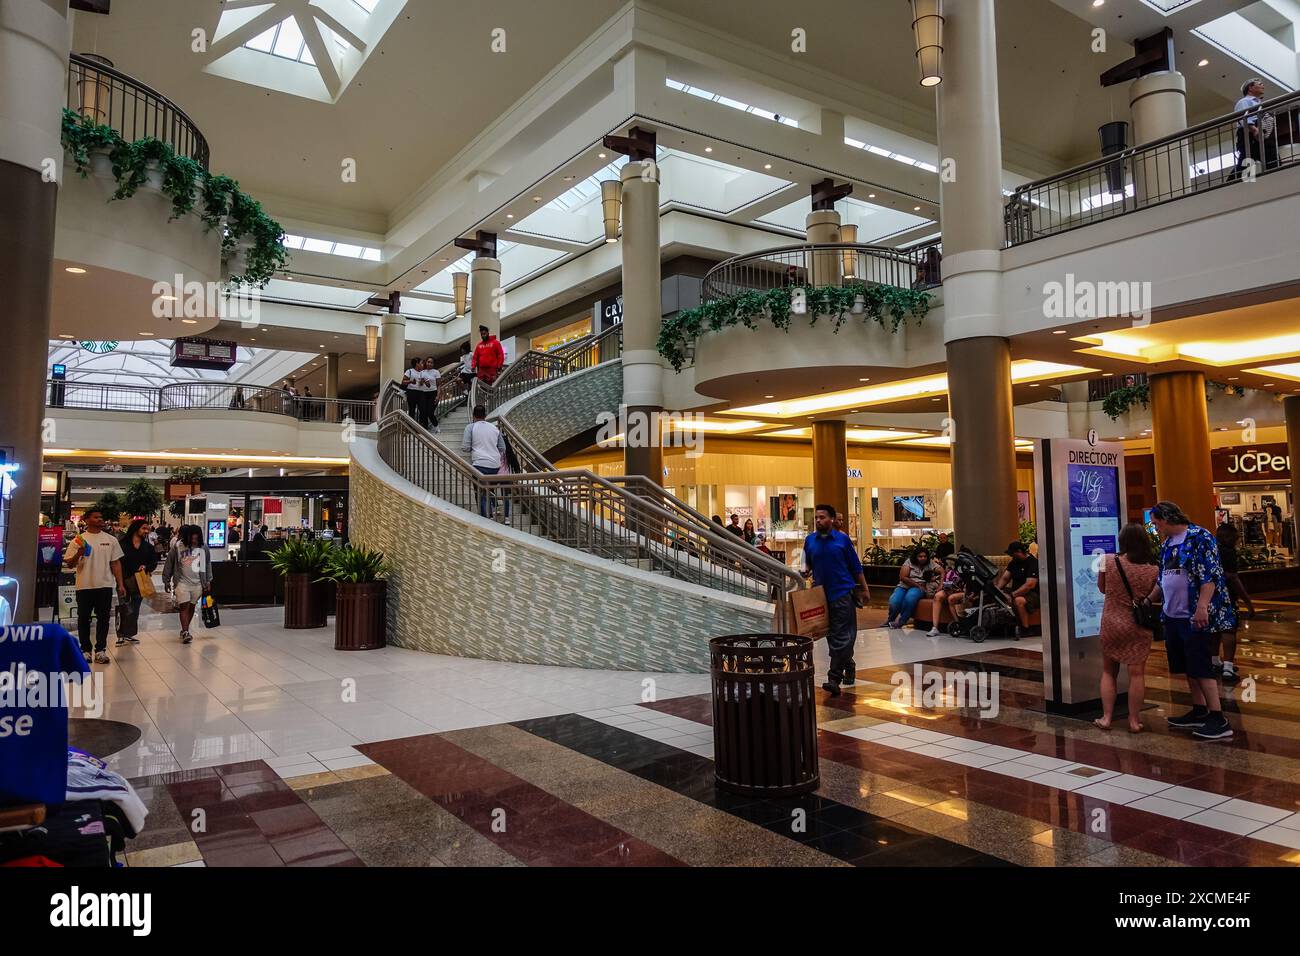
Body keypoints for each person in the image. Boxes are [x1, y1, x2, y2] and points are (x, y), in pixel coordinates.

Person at [1144, 500, 1237, 740]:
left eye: (1155, 523)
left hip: (1193, 615)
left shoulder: (1200, 537)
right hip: (1173, 615)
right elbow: (1163, 578)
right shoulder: (1167, 544)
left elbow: (1210, 575)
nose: (1155, 528)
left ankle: (1218, 717)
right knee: (1187, 666)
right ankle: (1199, 710)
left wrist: (1202, 607)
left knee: (1201, 666)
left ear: (1165, 519)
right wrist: (1148, 600)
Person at [1096, 523, 1160, 733]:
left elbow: (1102, 588)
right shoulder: (1153, 569)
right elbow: (1154, 594)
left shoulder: (1108, 561)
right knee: (1137, 674)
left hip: (1111, 622)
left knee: (1108, 671)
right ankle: (1134, 721)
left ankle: (1106, 718)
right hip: (1137, 625)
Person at [801, 504, 869, 695]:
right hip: (820, 595)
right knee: (832, 635)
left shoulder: (842, 540)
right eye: (816, 517)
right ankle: (849, 663)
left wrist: (864, 588)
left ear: (831, 519)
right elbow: (807, 563)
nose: (818, 521)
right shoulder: (810, 541)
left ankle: (834, 678)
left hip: (842, 593)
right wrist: (805, 571)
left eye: (822, 517)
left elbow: (856, 566)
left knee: (842, 635)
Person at [63, 507, 127, 664]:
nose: (100, 519)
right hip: (84, 586)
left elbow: (116, 563)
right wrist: (80, 552)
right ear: (86, 520)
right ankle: (85, 650)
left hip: (104, 585)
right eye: (96, 517)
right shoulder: (78, 540)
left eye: (101, 517)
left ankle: (100, 650)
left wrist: (120, 584)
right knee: (83, 619)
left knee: (104, 619)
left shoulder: (111, 540)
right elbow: (70, 564)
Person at [1214, 523, 1252, 685]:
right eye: (1235, 538)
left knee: (1214, 629)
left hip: (1209, 596)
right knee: (1229, 630)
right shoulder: (1228, 552)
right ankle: (1228, 667)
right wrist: (1248, 602)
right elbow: (1233, 577)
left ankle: (1214, 661)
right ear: (1227, 538)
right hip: (1227, 597)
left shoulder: (1211, 550)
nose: (1236, 542)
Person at [163, 524, 211, 645]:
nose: (194, 541)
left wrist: (208, 580)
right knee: (184, 606)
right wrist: (166, 580)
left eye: (196, 539)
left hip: (198, 583)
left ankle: (185, 629)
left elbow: (207, 564)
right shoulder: (178, 546)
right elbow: (169, 563)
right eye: (192, 539)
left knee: (191, 607)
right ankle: (185, 631)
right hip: (182, 583)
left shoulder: (204, 547)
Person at [115, 518, 159, 647]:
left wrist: (146, 567)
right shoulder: (122, 544)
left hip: (140, 582)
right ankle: (121, 634)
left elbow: (153, 562)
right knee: (123, 607)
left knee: (135, 608)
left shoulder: (148, 547)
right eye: (144, 528)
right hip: (124, 580)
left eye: (147, 529)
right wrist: (120, 581)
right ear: (136, 529)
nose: (146, 531)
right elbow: (117, 563)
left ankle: (129, 633)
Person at [463, 404, 507, 518]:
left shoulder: (470, 427)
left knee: (481, 493)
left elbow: (466, 447)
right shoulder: (494, 428)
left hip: (479, 464)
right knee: (489, 490)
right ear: (485, 415)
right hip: (494, 465)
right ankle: (491, 513)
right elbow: (502, 448)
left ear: (473, 416)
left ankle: (485, 517)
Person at [1230, 78, 1277, 181]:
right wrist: (1254, 129)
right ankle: (1234, 181)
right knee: (1248, 161)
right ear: (1250, 87)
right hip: (1251, 134)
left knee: (1267, 157)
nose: (1263, 86)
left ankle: (1274, 177)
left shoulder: (1258, 103)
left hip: (1260, 133)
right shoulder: (1244, 101)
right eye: (1260, 84)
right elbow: (1244, 116)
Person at [885, 546, 938, 630]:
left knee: (909, 599)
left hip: (919, 587)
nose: (923, 558)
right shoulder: (909, 562)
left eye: (925, 556)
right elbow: (903, 577)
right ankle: (890, 619)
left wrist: (940, 582)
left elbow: (941, 570)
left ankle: (902, 621)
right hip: (905, 586)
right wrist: (917, 585)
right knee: (895, 601)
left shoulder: (930, 563)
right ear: (916, 557)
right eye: (920, 556)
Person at [997, 541, 1040, 637]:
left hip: (1032, 594)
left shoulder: (1033, 563)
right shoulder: (1014, 563)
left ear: (1020, 551)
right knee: (1001, 596)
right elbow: (1005, 578)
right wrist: (997, 591)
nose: (1011, 556)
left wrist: (1013, 595)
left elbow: (1030, 585)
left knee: (1018, 600)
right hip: (1017, 591)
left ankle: (1026, 628)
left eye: (1013, 554)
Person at [927, 558, 963, 637]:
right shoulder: (951, 572)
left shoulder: (967, 572)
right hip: (951, 590)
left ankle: (958, 623)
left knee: (951, 598)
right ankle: (935, 628)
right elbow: (946, 584)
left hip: (963, 591)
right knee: (937, 596)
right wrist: (947, 588)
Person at [402, 356, 428, 427]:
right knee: (412, 410)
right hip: (411, 392)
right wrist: (410, 381)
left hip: (421, 392)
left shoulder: (423, 373)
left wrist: (423, 382)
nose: (423, 365)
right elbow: (403, 381)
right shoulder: (409, 371)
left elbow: (425, 384)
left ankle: (421, 426)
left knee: (423, 409)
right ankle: (410, 427)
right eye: (421, 363)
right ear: (417, 364)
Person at [422, 356, 441, 432]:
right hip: (423, 394)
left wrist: (438, 396)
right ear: (426, 363)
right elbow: (419, 384)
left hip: (433, 393)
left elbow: (439, 385)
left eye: (431, 362)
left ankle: (436, 426)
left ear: (433, 364)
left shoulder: (436, 372)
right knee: (424, 412)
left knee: (430, 412)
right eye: (428, 362)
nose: (429, 364)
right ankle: (425, 429)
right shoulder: (422, 372)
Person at [457, 341, 475, 406]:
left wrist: (474, 366)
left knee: (472, 387)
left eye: (462, 349)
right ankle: (466, 393)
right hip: (465, 372)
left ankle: (469, 398)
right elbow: (464, 364)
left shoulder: (471, 354)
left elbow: (476, 360)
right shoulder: (463, 356)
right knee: (458, 380)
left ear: (466, 349)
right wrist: (460, 368)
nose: (462, 351)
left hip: (472, 373)